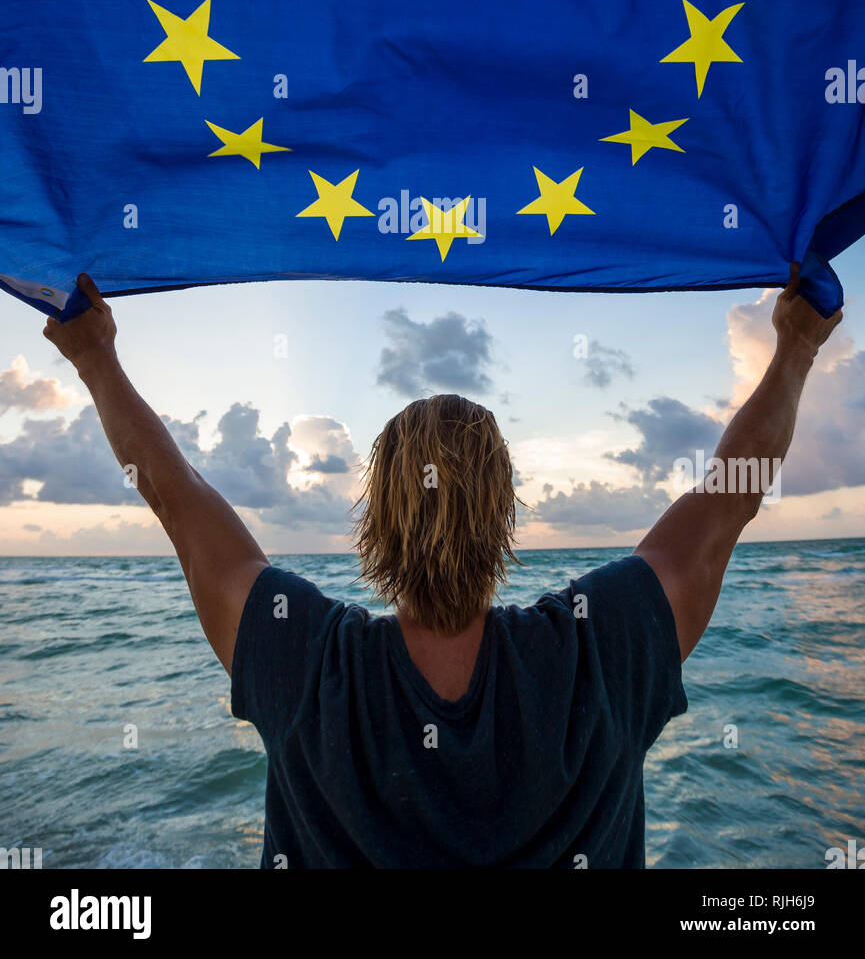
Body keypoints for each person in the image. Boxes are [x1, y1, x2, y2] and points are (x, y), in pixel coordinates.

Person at [43, 264, 841, 868]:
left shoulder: (304, 657)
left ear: (374, 519)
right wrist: (797, 345)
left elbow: (177, 501)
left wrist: (95, 359)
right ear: (505, 516)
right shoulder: (602, 647)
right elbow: (728, 497)